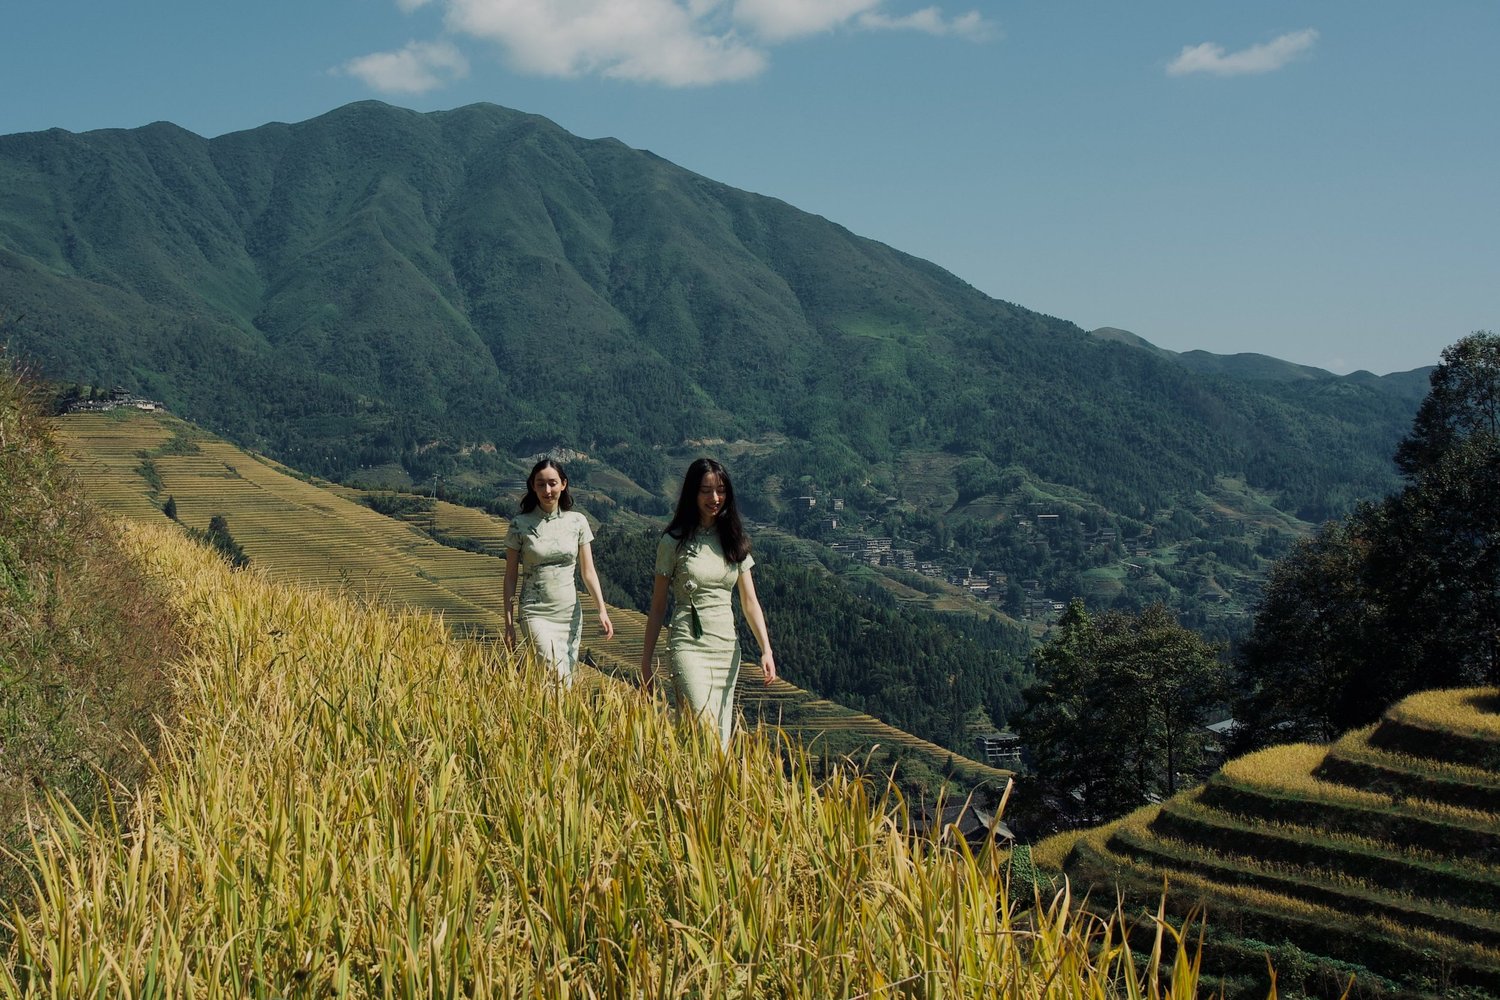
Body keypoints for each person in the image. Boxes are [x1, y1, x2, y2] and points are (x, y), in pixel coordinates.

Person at [640, 458, 776, 746]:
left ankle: (694, 788)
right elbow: (658, 605)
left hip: (726, 650)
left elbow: (749, 601)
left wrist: (766, 649)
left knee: (717, 740)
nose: (715, 498)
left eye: (721, 490)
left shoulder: (734, 540)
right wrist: (646, 660)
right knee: (705, 730)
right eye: (706, 491)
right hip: (687, 645)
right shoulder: (673, 542)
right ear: (692, 493)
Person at [504, 458, 613, 683]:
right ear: (533, 487)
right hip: (535, 612)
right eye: (541, 484)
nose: (547, 490)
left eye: (552, 483)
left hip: (569, 615)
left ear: (563, 484)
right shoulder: (519, 525)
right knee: (556, 673)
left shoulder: (578, 522)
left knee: (562, 683)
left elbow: (588, 572)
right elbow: (510, 577)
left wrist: (601, 609)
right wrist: (508, 622)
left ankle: (547, 718)